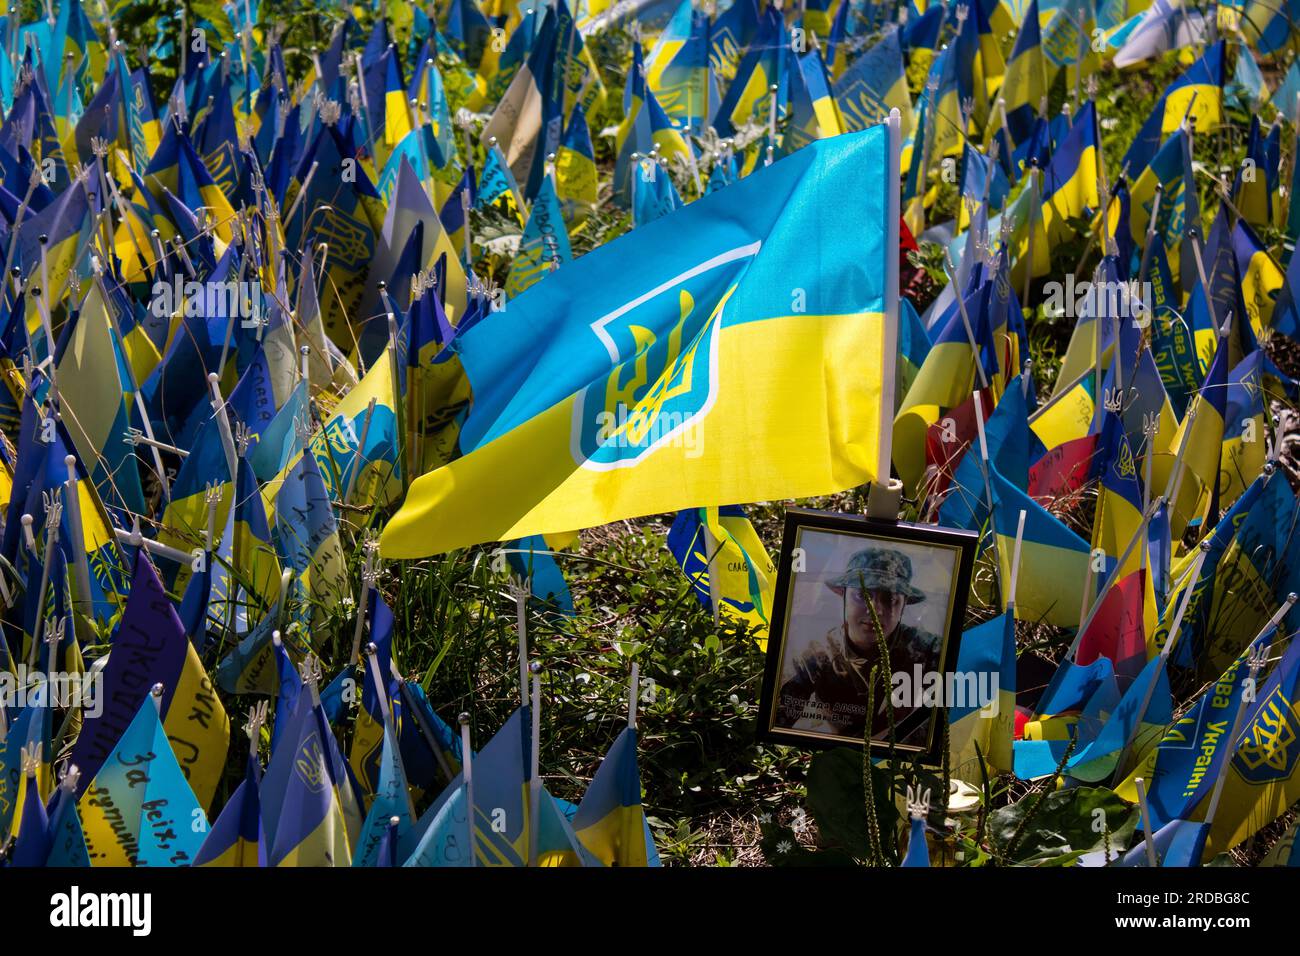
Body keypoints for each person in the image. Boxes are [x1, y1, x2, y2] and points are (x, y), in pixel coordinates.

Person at [777, 547, 942, 741]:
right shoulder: (817, 655)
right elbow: (777, 719)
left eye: (890, 599)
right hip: (838, 752)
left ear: (904, 605)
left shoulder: (928, 650)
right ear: (843, 596)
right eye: (862, 596)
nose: (875, 610)